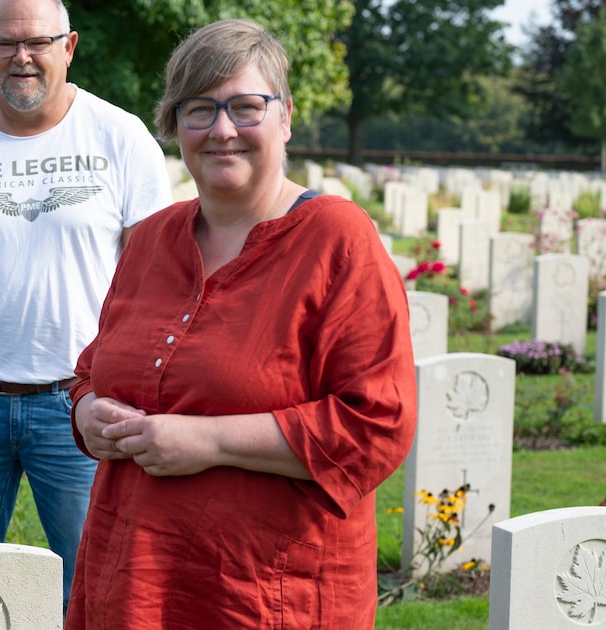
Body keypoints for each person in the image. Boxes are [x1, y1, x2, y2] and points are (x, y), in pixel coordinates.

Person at [65, 19, 417, 629]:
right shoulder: (151, 239)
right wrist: (86, 410)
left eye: (246, 107)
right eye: (198, 110)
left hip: (263, 595)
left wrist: (209, 441)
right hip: (135, 585)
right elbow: (94, 368)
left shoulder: (337, 239)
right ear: (174, 127)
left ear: (285, 117)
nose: (222, 130)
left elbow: (376, 422)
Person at [0, 0, 173, 608]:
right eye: (5, 44)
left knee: (93, 580)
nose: (21, 57)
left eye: (37, 42)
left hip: (81, 401)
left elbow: (152, 274)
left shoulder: (120, 136)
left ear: (68, 47)